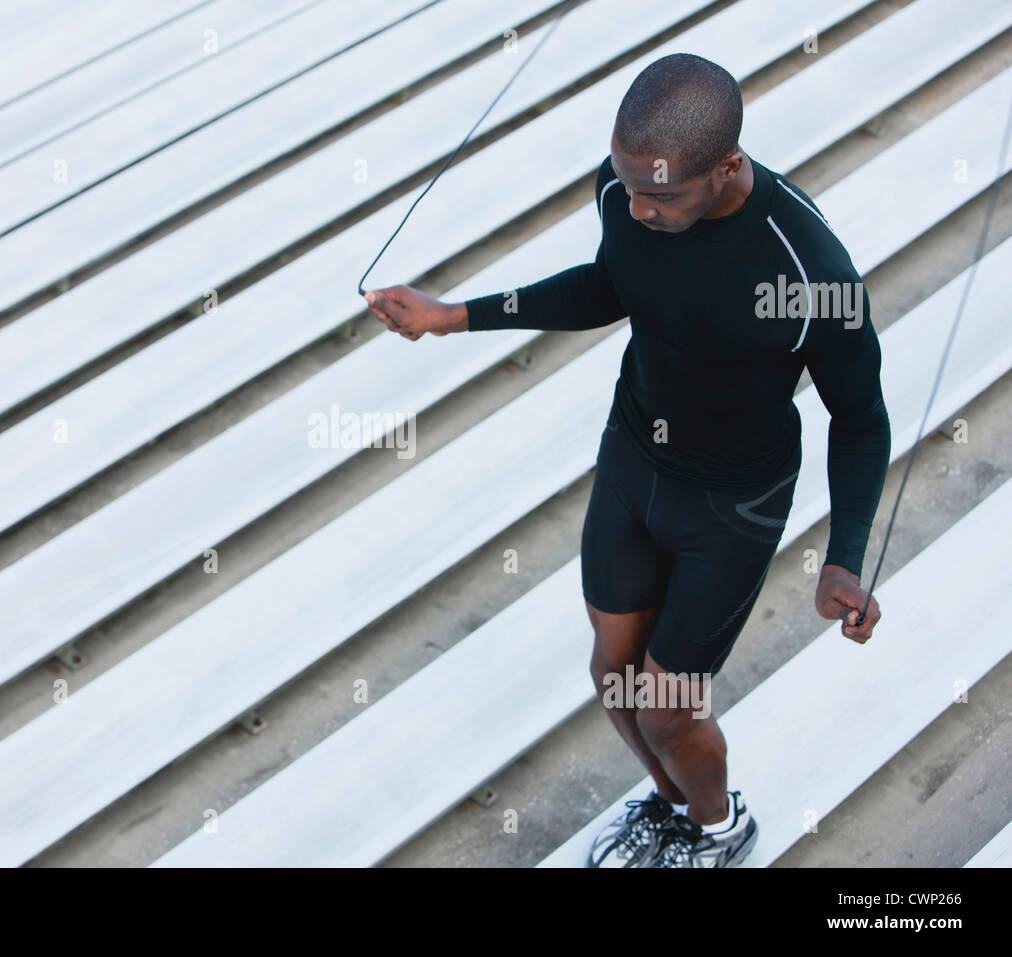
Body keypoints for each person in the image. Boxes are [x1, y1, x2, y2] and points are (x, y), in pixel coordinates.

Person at [361, 53, 890, 868]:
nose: (638, 208)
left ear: (726, 167)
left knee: (666, 711)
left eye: (665, 196)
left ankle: (721, 829)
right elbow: (614, 284)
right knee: (615, 674)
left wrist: (845, 556)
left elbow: (860, 419)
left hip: (732, 507)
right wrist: (452, 315)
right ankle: (673, 807)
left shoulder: (810, 271)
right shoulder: (623, 189)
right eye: (629, 185)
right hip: (634, 458)